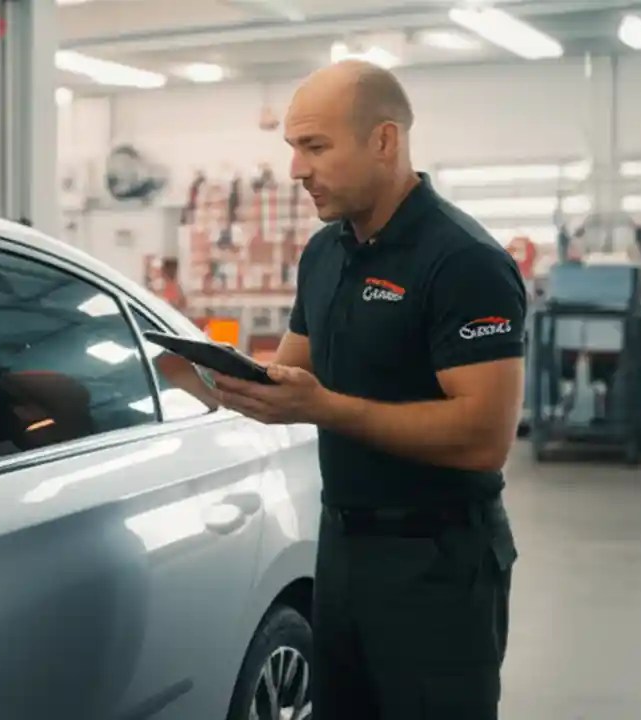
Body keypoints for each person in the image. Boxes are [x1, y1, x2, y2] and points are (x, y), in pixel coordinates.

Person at [209, 61, 525, 718]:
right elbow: (290, 371)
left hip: (438, 563)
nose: (296, 169)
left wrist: (322, 408)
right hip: (344, 548)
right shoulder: (325, 253)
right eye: (293, 147)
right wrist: (177, 362)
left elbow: (483, 438)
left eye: (315, 146)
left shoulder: (463, 261)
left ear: (385, 142)